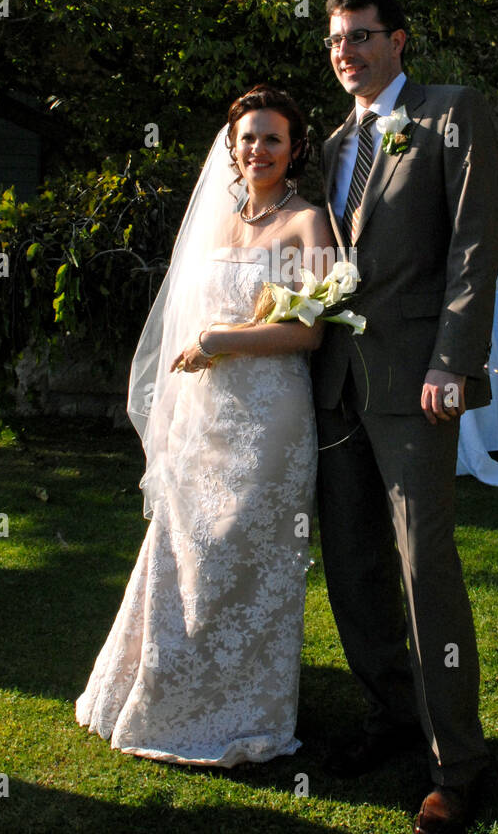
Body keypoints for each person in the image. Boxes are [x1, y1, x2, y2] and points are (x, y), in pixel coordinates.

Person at [76, 87, 335, 766]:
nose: (259, 150)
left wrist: (223, 339)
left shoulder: (308, 224)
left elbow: (308, 333)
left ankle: (244, 709)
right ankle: (163, 695)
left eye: (273, 139)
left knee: (251, 560)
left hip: (272, 418)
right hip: (203, 418)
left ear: (295, 148)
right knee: (186, 551)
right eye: (248, 138)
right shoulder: (212, 224)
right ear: (233, 145)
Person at [312, 0, 498, 834]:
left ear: (398, 41)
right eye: (334, 41)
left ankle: (455, 765)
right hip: (336, 386)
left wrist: (451, 364)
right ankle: (392, 714)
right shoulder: (332, 142)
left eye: (359, 37)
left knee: (425, 567)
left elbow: (471, 249)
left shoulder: (452, 114)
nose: (344, 51)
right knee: (353, 567)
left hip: (417, 383)